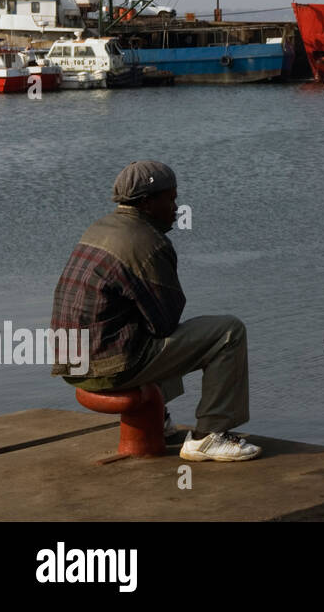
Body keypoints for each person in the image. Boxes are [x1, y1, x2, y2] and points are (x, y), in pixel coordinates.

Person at [51, 161, 261, 462]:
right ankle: (208, 436)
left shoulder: (99, 228)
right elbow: (166, 323)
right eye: (171, 199)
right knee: (228, 332)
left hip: (70, 363)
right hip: (107, 370)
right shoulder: (150, 244)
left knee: (141, 326)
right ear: (148, 202)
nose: (176, 208)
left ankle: (158, 419)